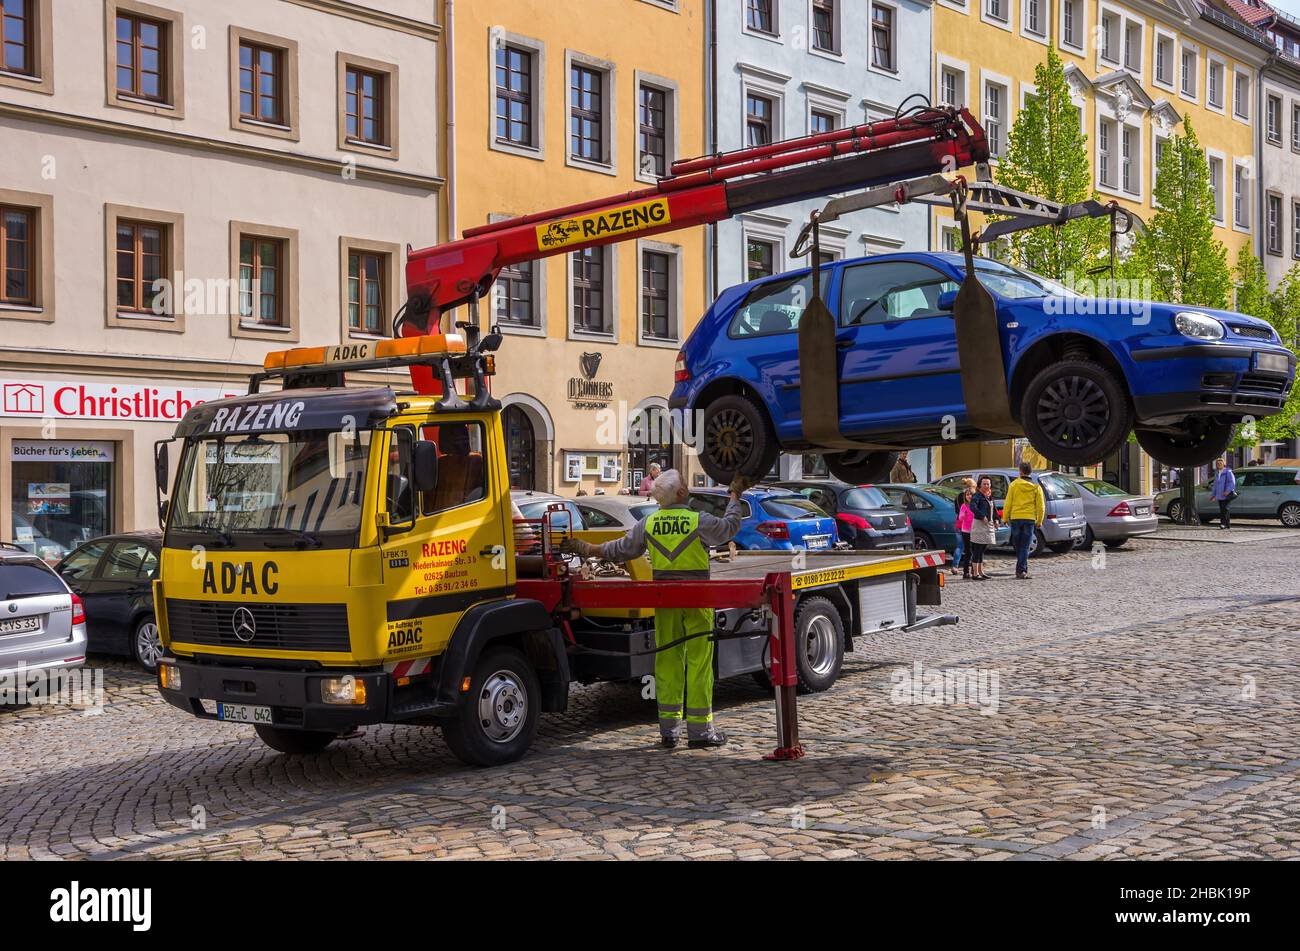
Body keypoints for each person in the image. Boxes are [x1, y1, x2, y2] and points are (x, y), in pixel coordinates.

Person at [565, 470, 744, 749]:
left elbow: (621, 550)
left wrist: (589, 548)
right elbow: (730, 527)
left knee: (668, 662)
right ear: (682, 494)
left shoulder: (648, 523)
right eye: (685, 484)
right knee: (698, 662)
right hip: (696, 600)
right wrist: (735, 495)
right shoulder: (697, 520)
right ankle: (700, 732)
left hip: (664, 602)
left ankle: (669, 731)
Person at [1003, 462, 1045, 580]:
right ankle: (1021, 570)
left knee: (1018, 545)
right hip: (1029, 518)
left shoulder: (1014, 485)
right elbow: (1041, 506)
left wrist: (1005, 517)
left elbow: (1008, 503)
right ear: (1030, 472)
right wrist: (1039, 520)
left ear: (1020, 472)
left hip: (1015, 518)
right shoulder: (1036, 487)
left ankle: (1020, 569)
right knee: (1025, 546)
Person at [967, 476, 997, 581]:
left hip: (988, 526)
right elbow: (973, 507)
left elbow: (994, 509)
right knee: (977, 550)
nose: (986, 486)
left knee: (982, 550)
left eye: (988, 484)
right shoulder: (977, 496)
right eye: (984, 484)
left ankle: (981, 571)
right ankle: (975, 574)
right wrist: (981, 516)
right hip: (979, 526)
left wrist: (997, 519)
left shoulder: (989, 496)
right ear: (980, 485)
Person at [951, 476, 976, 575]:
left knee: (960, 547)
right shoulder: (972, 496)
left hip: (958, 523)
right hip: (966, 525)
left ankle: (955, 566)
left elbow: (956, 511)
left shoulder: (958, 497)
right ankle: (972, 566)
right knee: (971, 548)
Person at [1210, 458, 1237, 530]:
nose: (1219, 465)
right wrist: (1213, 495)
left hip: (1226, 494)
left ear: (1224, 464)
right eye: (1218, 464)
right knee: (1223, 509)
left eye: (1220, 463)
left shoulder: (1228, 471)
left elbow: (1232, 482)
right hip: (1219, 494)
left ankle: (1223, 524)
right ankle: (1227, 524)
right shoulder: (1217, 472)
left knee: (1225, 509)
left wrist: (1227, 491)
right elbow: (1215, 485)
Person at [955, 486, 975, 580]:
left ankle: (974, 570)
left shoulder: (975, 505)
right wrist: (964, 514)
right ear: (965, 496)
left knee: (975, 551)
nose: (969, 496)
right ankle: (966, 572)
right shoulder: (964, 506)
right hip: (966, 531)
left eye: (971, 494)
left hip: (975, 530)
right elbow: (960, 518)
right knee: (968, 552)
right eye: (967, 494)